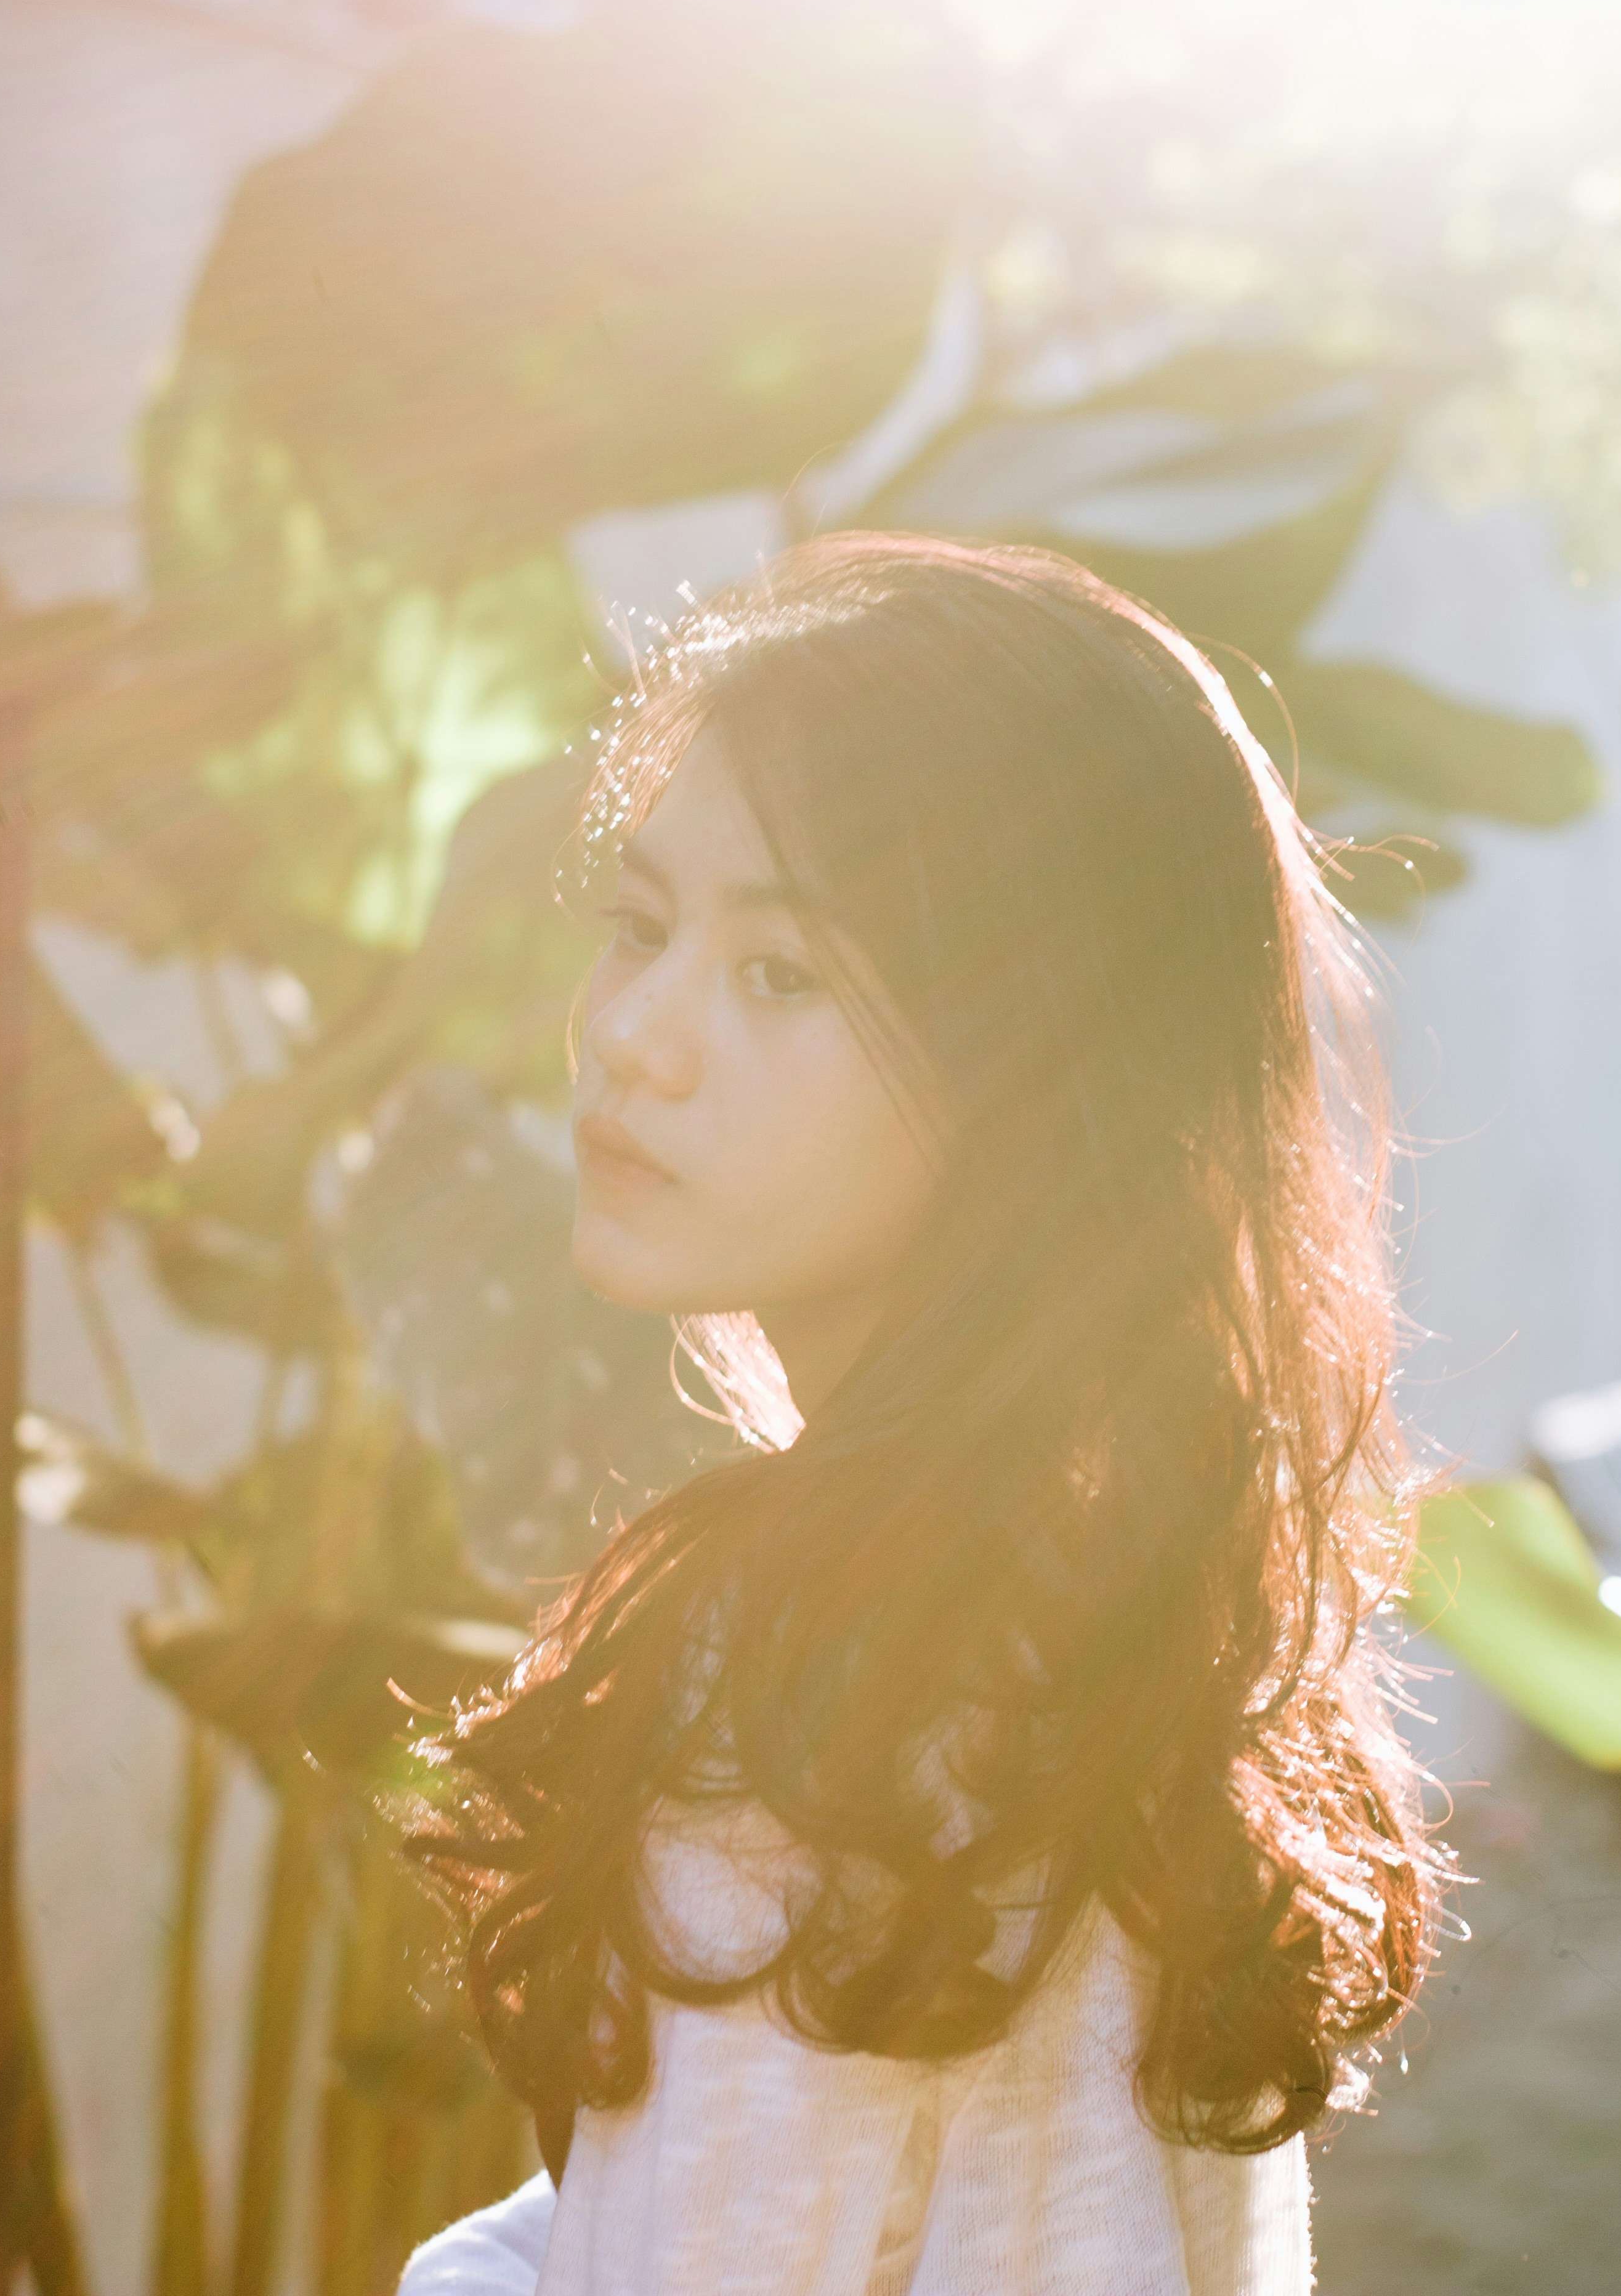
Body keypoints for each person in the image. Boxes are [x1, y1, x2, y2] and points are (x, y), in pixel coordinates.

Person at [399, 534, 1439, 2296]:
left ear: (1030, 1078)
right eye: (641, 927)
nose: (633, 1035)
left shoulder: (832, 1683)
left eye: (781, 974)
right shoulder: (1092, 1601)